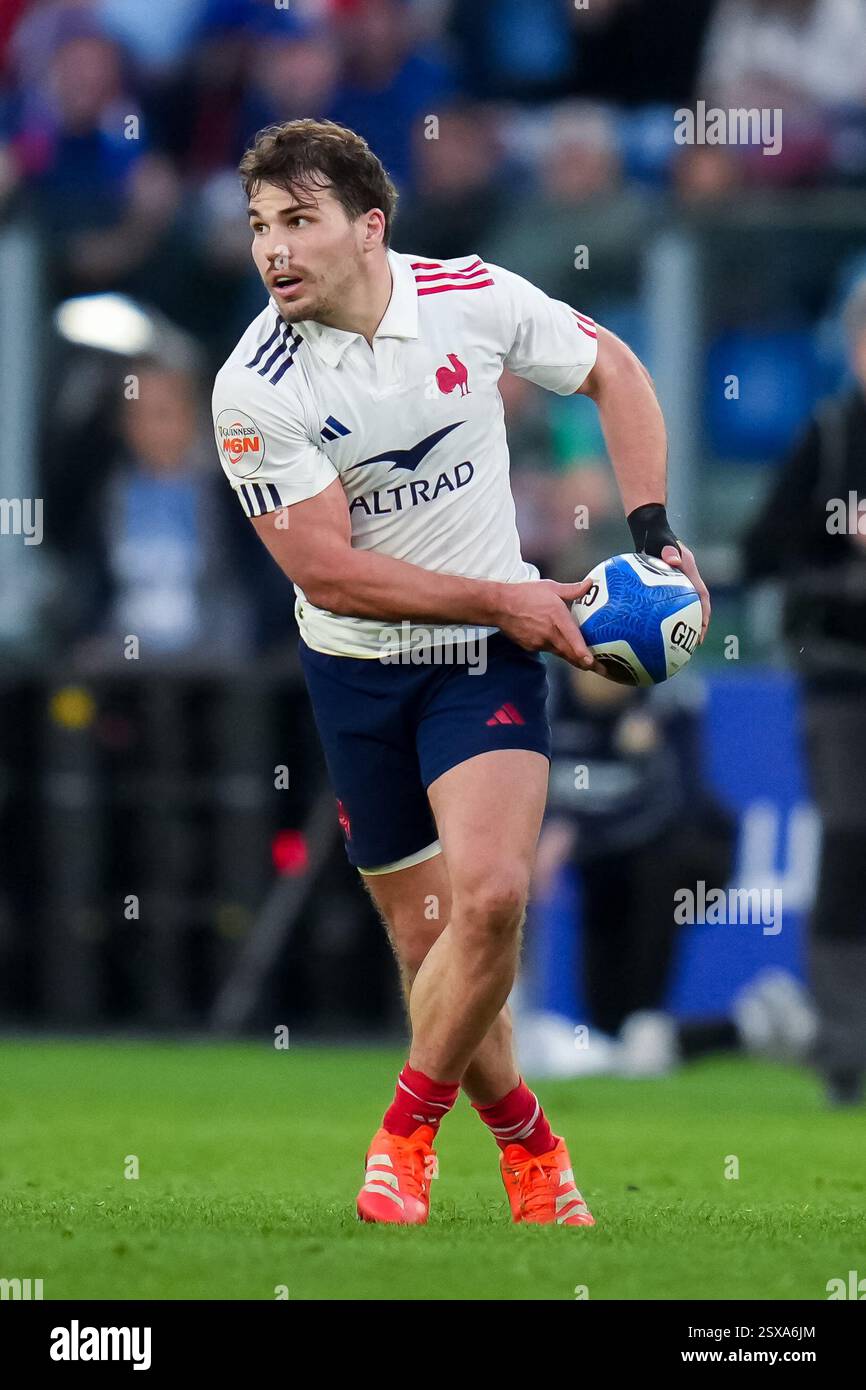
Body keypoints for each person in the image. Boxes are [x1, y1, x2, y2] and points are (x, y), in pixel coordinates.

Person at [211, 117, 710, 1226]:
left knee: (490, 899)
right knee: (432, 945)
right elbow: (331, 575)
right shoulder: (255, 386)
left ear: (368, 226)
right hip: (358, 669)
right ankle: (530, 1143)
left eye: (298, 222)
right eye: (258, 228)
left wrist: (653, 531)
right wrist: (513, 594)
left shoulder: (471, 296)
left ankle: (403, 1135)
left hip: (478, 661)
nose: (272, 250)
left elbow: (612, 369)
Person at [743, 276, 866, 1107]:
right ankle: (847, 1048)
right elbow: (760, 553)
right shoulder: (830, 439)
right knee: (854, 848)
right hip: (842, 679)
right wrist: (842, 564)